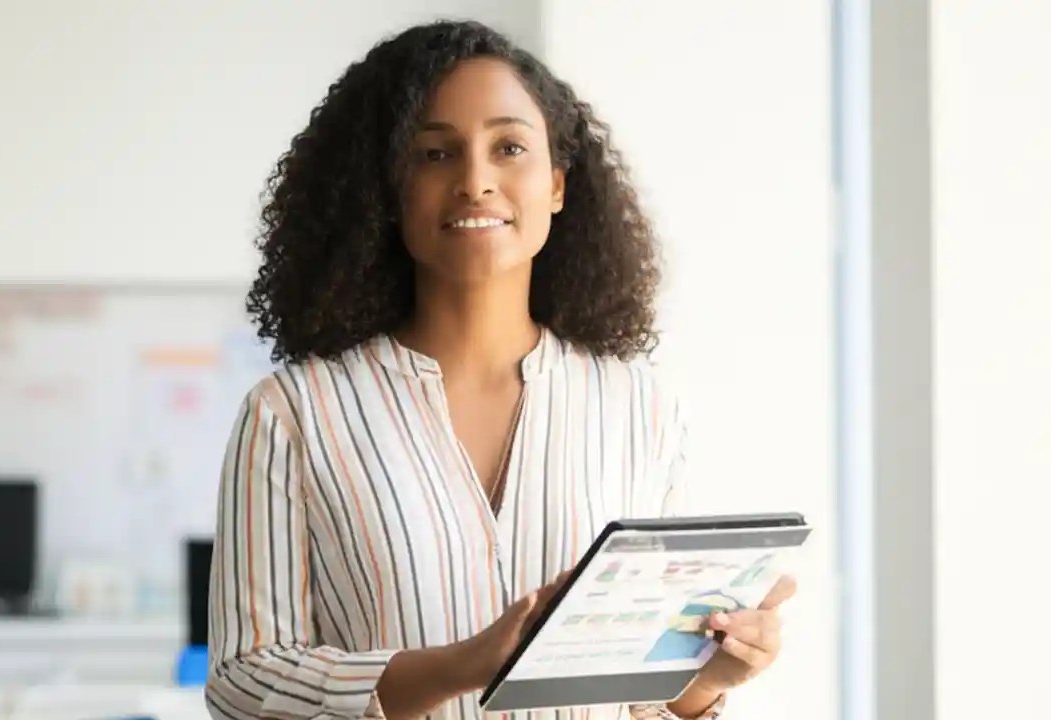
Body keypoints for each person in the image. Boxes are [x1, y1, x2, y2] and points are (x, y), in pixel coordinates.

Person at [206, 20, 796, 720]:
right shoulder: (293, 414)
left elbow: (642, 694)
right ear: (389, 191)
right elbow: (243, 682)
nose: (475, 181)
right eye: (434, 153)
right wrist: (461, 665)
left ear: (555, 185)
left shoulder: (641, 406)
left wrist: (704, 683)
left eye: (508, 147)